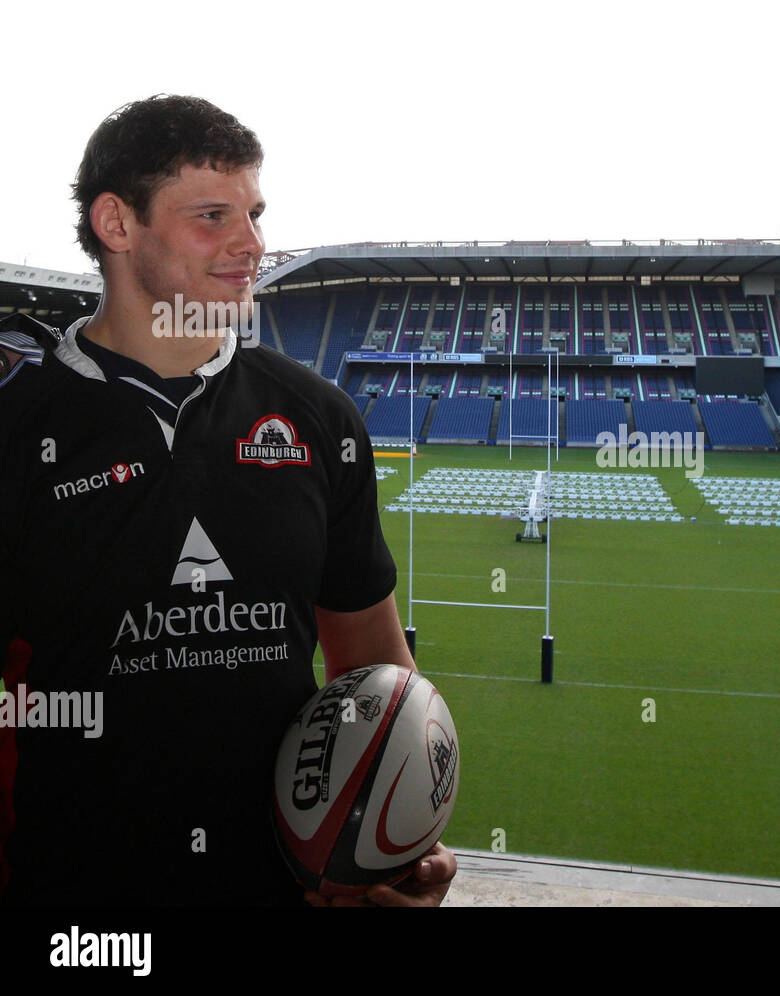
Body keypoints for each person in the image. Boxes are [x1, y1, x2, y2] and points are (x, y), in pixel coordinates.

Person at [0, 95, 455, 906]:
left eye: (254, 212)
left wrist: (387, 837)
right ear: (117, 223)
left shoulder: (319, 419)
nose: (252, 245)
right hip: (73, 901)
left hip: (281, 886)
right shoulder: (17, 429)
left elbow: (373, 670)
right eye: (213, 215)